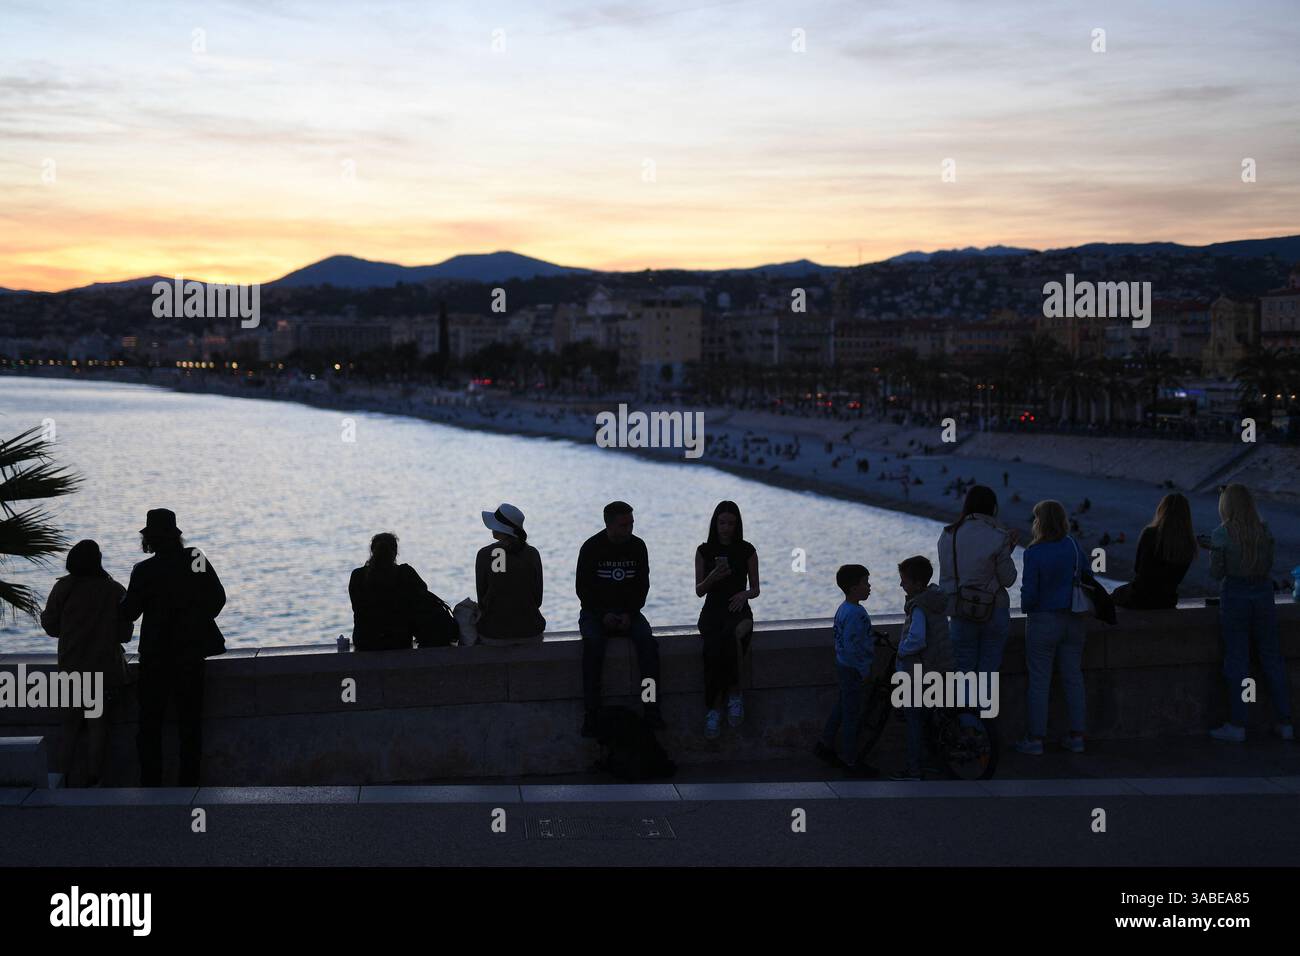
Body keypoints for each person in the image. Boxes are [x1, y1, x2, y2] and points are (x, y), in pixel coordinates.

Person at [120, 509, 226, 787]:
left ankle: (151, 784)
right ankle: (189, 783)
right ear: (176, 535)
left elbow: (129, 612)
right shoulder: (195, 559)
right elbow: (217, 597)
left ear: (149, 540)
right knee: (190, 724)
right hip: (190, 653)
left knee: (150, 725)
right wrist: (196, 619)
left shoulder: (144, 571)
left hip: (155, 656)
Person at [40, 540, 132, 787]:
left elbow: (50, 626)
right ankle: (95, 779)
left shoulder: (63, 588)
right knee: (98, 726)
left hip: (72, 667)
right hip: (105, 668)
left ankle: (59, 778)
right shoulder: (115, 590)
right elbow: (125, 634)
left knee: (69, 727)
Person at [1206, 484, 1293, 742]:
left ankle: (1237, 724)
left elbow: (1217, 574)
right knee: (1272, 658)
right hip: (1263, 593)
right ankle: (1285, 722)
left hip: (1236, 595)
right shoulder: (1263, 532)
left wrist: (1213, 552)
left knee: (1237, 659)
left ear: (1226, 505)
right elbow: (1268, 565)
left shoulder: (1222, 534)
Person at [576, 501, 662, 735]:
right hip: (595, 613)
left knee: (647, 645)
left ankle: (651, 708)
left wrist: (629, 614)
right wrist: (604, 615)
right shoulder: (591, 547)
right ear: (609, 525)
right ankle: (592, 714)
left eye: (631, 524)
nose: (629, 530)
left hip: (629, 612)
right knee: (593, 646)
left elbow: (642, 586)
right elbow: (583, 590)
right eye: (624, 525)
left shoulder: (638, 547)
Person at [936, 485, 1017, 727]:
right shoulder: (999, 536)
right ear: (993, 508)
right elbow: (1009, 579)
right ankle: (984, 732)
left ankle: (967, 728)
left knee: (963, 670)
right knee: (988, 671)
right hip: (994, 611)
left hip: (960, 611)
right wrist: (1009, 550)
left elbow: (947, 577)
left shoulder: (948, 534)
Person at [1015, 500, 1088, 755]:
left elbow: (1029, 592)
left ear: (1039, 522)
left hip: (1044, 620)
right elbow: (1087, 576)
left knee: (1039, 680)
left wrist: (1026, 607)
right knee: (1073, 677)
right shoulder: (1073, 546)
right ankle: (1077, 736)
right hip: (1075, 618)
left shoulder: (1033, 552)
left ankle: (1036, 739)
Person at [694, 501, 760, 739]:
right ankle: (713, 709)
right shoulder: (704, 551)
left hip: (739, 610)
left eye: (731, 523)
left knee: (731, 637)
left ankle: (734, 695)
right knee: (712, 649)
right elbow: (699, 590)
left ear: (737, 525)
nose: (726, 528)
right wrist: (713, 576)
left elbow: (756, 589)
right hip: (712, 611)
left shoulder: (747, 550)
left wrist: (744, 594)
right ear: (715, 523)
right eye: (722, 523)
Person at [891, 556, 955, 781]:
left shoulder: (919, 607)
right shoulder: (936, 602)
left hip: (920, 673)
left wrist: (902, 650)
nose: (901, 586)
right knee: (930, 721)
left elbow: (917, 639)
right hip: (938, 670)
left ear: (918, 585)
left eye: (904, 581)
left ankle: (913, 769)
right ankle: (932, 763)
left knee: (914, 722)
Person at [814, 565, 877, 777]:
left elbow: (845, 640)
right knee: (852, 716)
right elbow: (854, 646)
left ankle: (825, 743)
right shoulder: (857, 613)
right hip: (853, 669)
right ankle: (850, 760)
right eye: (865, 583)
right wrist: (863, 669)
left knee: (842, 707)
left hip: (843, 665)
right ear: (853, 588)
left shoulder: (843, 609)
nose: (869, 587)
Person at [475, 503, 545, 645]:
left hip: (494, 633)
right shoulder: (532, 554)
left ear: (501, 529)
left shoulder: (485, 554)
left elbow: (482, 600)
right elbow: (537, 599)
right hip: (530, 630)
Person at [1112, 493, 1196, 610]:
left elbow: (1138, 569)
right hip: (1167, 600)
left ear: (1162, 510)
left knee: (1114, 595)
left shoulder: (1150, 534)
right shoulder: (1189, 542)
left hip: (1140, 597)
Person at [348, 533, 430, 651]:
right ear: (395, 552)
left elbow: (357, 608)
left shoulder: (357, 576)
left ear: (372, 551)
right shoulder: (406, 573)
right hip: (399, 641)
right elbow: (424, 598)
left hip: (365, 641)